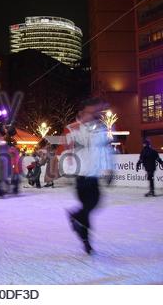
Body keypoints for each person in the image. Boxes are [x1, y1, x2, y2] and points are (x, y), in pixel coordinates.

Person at [65, 98, 114, 255]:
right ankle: (83, 232)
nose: (92, 115)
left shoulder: (98, 130)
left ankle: (84, 236)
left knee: (90, 207)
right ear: (82, 113)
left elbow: (106, 150)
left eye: (93, 112)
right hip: (82, 177)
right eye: (88, 112)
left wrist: (109, 169)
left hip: (93, 176)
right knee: (88, 207)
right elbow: (70, 139)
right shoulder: (78, 129)